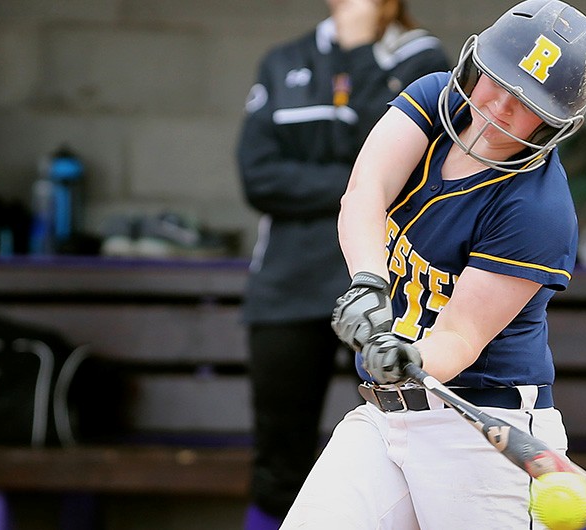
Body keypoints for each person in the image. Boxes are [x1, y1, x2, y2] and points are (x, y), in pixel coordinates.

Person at [281, 0, 586, 527]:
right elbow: (366, 191)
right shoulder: (438, 99)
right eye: (496, 80)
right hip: (385, 418)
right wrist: (368, 284)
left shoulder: (538, 209)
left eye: (525, 103)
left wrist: (408, 358)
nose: (497, 106)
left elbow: (457, 342)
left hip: (483, 429)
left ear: (553, 123)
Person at [235, 1, 449, 528]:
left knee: (413, 457)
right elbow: (258, 177)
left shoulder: (423, 60)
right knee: (278, 462)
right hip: (288, 286)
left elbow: (396, 167)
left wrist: (357, 53)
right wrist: (358, 185)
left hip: (387, 286)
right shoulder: (283, 61)